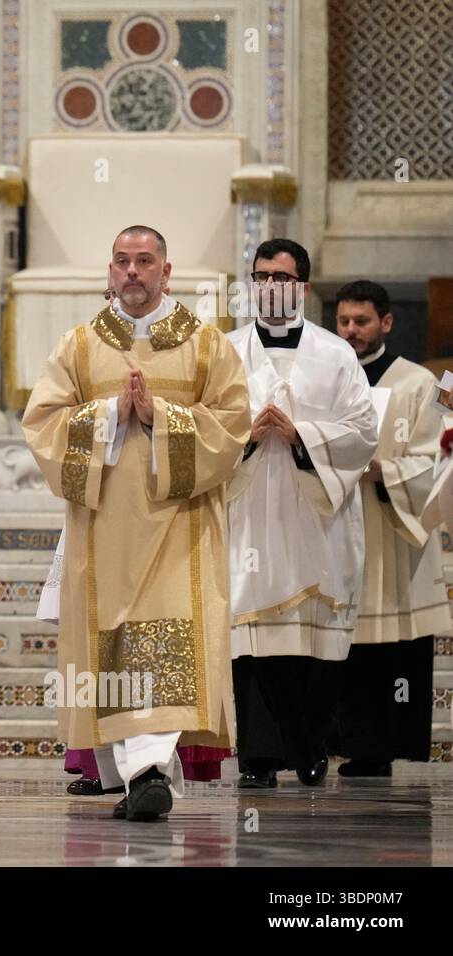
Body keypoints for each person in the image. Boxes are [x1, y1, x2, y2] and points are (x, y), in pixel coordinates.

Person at [22, 225, 250, 821]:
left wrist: (162, 419)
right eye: (122, 261)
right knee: (114, 652)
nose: (132, 272)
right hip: (102, 529)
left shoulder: (205, 345)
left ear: (166, 272)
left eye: (144, 261)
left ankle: (148, 772)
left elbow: (232, 428)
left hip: (181, 529)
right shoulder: (79, 345)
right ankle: (139, 775)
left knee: (166, 646)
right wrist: (106, 415)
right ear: (110, 270)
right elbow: (42, 423)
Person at [226, 239, 378, 789]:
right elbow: (202, 428)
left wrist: (301, 437)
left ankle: (308, 744)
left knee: (310, 647)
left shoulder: (335, 354)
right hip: (249, 517)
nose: (271, 287)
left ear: (303, 288)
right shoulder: (225, 352)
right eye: (261, 277)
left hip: (317, 518)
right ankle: (259, 759)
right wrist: (244, 435)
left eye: (282, 278)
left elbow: (364, 431)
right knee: (252, 640)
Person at [327, 279, 448, 776]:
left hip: (393, 532)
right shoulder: (327, 379)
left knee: (392, 657)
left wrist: (387, 472)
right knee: (341, 650)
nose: (352, 331)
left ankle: (382, 748)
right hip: (336, 531)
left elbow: (439, 459)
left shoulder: (421, 384)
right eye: (344, 322)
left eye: (362, 322)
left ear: (387, 323)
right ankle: (340, 743)